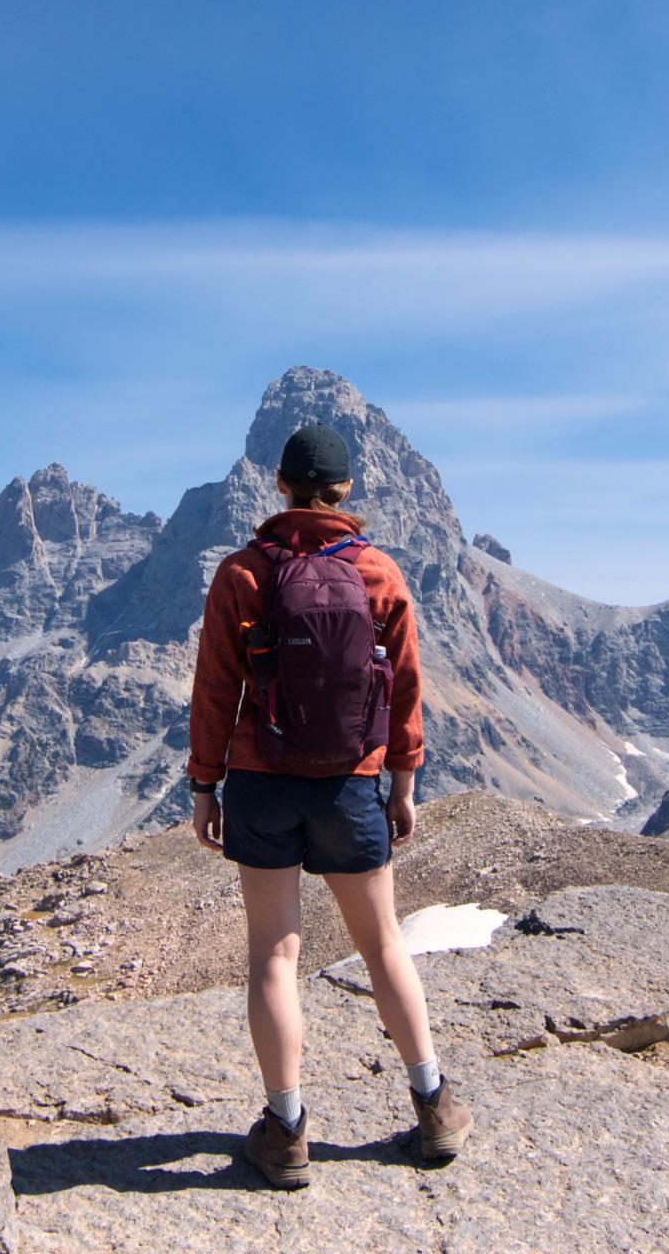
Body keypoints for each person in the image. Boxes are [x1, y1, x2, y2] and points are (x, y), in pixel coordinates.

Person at [186, 421, 473, 1189]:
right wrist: (404, 783)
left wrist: (203, 785)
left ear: (278, 485)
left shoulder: (242, 573)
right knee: (382, 944)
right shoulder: (379, 573)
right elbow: (406, 688)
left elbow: (217, 690)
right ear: (347, 492)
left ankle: (285, 1131)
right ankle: (434, 1105)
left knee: (275, 952)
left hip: (259, 780)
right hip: (351, 784)